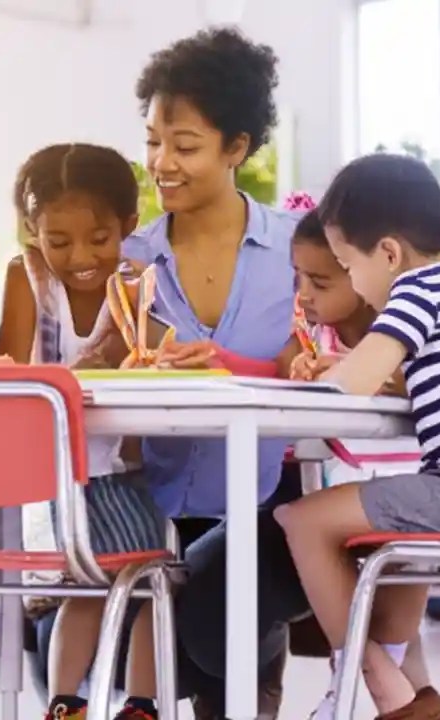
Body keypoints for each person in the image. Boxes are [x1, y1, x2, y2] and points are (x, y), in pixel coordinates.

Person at [276, 154, 440, 720]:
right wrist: (339, 366)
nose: (352, 281)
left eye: (348, 265)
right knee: (380, 544)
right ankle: (392, 684)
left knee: (301, 519)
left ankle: (377, 685)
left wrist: (329, 372)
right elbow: (407, 374)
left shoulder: (415, 291)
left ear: (390, 254)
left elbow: (355, 385)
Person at [124, 27, 310, 719]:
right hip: (155, 504)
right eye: (152, 141)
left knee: (228, 662)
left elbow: (319, 357)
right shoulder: (130, 261)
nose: (161, 163)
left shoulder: (298, 249)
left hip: (265, 499)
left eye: (185, 146)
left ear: (237, 148)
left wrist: (271, 363)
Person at [0, 143, 169, 720]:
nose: (80, 257)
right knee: (135, 579)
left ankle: (114, 703)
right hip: (63, 463)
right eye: (58, 240)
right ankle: (89, 702)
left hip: (129, 461)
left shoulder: (140, 279)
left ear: (128, 224)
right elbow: (10, 372)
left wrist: (94, 363)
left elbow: (134, 356)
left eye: (99, 238)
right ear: (33, 231)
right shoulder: (27, 278)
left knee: (128, 582)